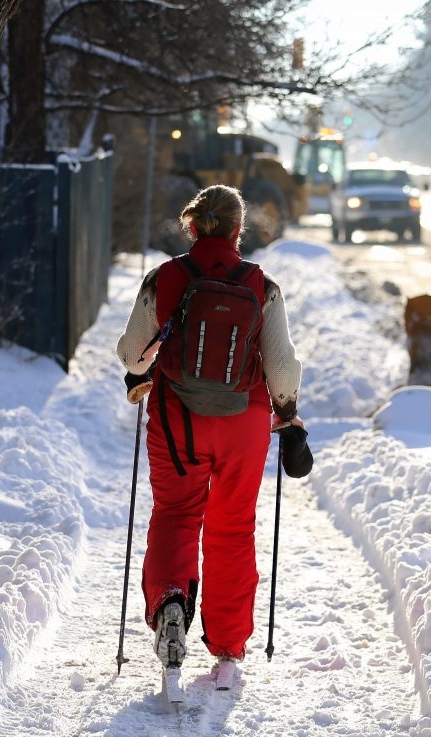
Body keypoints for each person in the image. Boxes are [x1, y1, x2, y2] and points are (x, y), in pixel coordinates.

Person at [115, 184, 306, 675]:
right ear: (239, 230)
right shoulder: (262, 285)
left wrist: (139, 375)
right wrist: (288, 418)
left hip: (180, 417)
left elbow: (134, 349)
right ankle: (227, 640)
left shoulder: (167, 276)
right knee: (233, 527)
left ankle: (171, 603)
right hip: (243, 423)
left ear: (193, 225)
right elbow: (282, 367)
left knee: (177, 512)